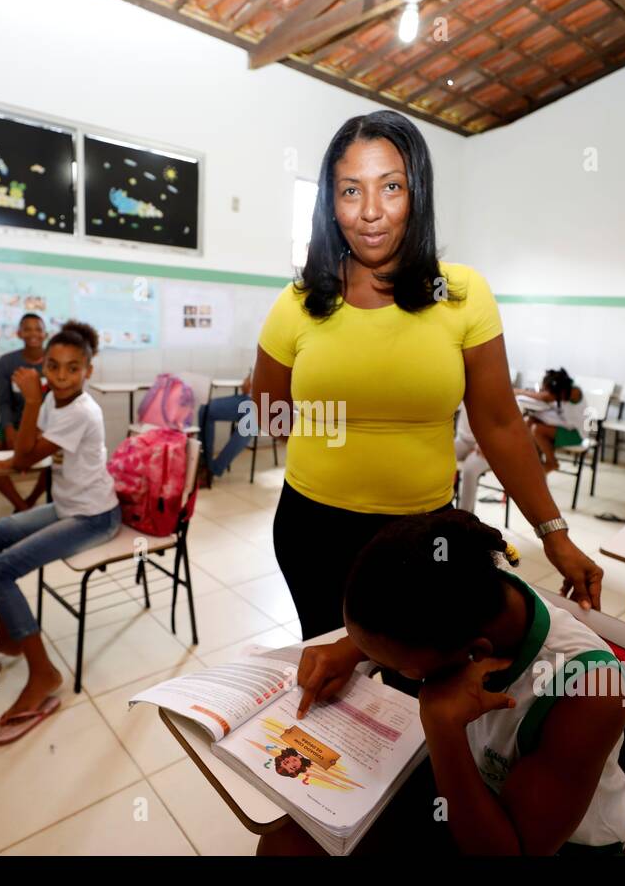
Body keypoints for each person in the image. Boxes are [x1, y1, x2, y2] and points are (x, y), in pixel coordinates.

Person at [252, 110, 603, 650]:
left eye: (391, 187)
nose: (371, 212)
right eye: (350, 191)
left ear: (417, 193)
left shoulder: (462, 294)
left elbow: (501, 423)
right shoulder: (297, 303)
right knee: (328, 669)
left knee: (418, 676)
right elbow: (269, 415)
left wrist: (553, 534)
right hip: (313, 528)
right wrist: (346, 429)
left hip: (424, 537)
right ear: (330, 203)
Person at [259, 510, 625, 856]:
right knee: (286, 842)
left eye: (397, 666)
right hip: (457, 784)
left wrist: (441, 726)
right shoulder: (471, 586)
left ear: (476, 655)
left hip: (545, 841)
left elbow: (509, 852)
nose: (378, 664)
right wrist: (349, 648)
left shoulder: (587, 692)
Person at [0, 322, 121, 744]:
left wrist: (28, 405)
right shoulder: (51, 400)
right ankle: (10, 634)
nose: (61, 376)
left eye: (72, 368)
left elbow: (28, 457)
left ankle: (42, 674)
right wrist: (10, 461)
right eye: (54, 366)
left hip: (94, 517)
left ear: (88, 372)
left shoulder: (80, 409)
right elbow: (34, 455)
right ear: (43, 364)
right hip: (66, 505)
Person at [0, 312, 48, 512]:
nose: (33, 333)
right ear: (19, 334)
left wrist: (37, 429)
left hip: (44, 425)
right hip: (8, 422)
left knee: (61, 453)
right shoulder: (6, 362)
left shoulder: (53, 363)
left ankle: (31, 500)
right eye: (27, 329)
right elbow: (2, 402)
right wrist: (9, 429)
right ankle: (21, 507)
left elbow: (55, 404)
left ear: (45, 334)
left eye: (38, 329)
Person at [515, 368, 586, 473]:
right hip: (564, 424)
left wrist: (520, 391)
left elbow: (545, 397)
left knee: (537, 429)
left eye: (547, 389)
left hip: (576, 434)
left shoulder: (574, 392)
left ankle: (551, 462)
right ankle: (532, 463)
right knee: (530, 420)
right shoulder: (561, 388)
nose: (545, 391)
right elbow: (547, 396)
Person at [197, 371, 254, 484]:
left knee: (249, 424)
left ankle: (213, 469)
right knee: (206, 409)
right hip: (248, 398)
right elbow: (251, 376)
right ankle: (205, 464)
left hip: (269, 404)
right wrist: (248, 382)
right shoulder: (262, 354)